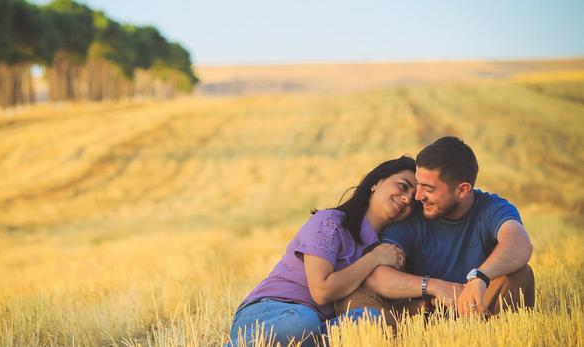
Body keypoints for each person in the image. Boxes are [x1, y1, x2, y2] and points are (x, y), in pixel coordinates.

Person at [336, 136, 535, 324]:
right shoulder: (411, 215)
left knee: (520, 274)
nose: (417, 196)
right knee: (356, 298)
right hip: (421, 311)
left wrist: (479, 277)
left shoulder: (492, 208)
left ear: (462, 190)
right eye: (418, 184)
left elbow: (520, 243)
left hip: (473, 307)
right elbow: (377, 277)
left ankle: (474, 334)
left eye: (428, 189)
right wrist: (433, 287)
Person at [226, 156, 419, 347]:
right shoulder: (330, 222)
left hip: (319, 327)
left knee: (372, 322)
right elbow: (321, 291)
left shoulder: (388, 249)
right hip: (271, 314)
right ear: (377, 182)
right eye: (403, 186)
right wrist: (374, 258)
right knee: (302, 322)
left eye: (414, 199)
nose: (407, 198)